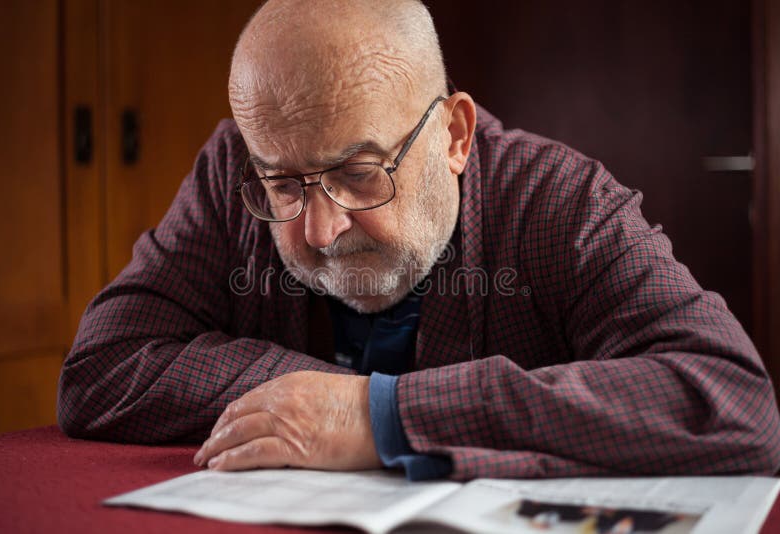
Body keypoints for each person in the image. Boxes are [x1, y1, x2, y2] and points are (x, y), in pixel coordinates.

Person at [57, 0, 780, 481]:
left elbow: (732, 400)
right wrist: (335, 403)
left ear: (455, 136)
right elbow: (101, 368)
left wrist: (385, 417)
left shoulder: (563, 200)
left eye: (360, 172)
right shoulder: (232, 170)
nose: (318, 231)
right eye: (282, 185)